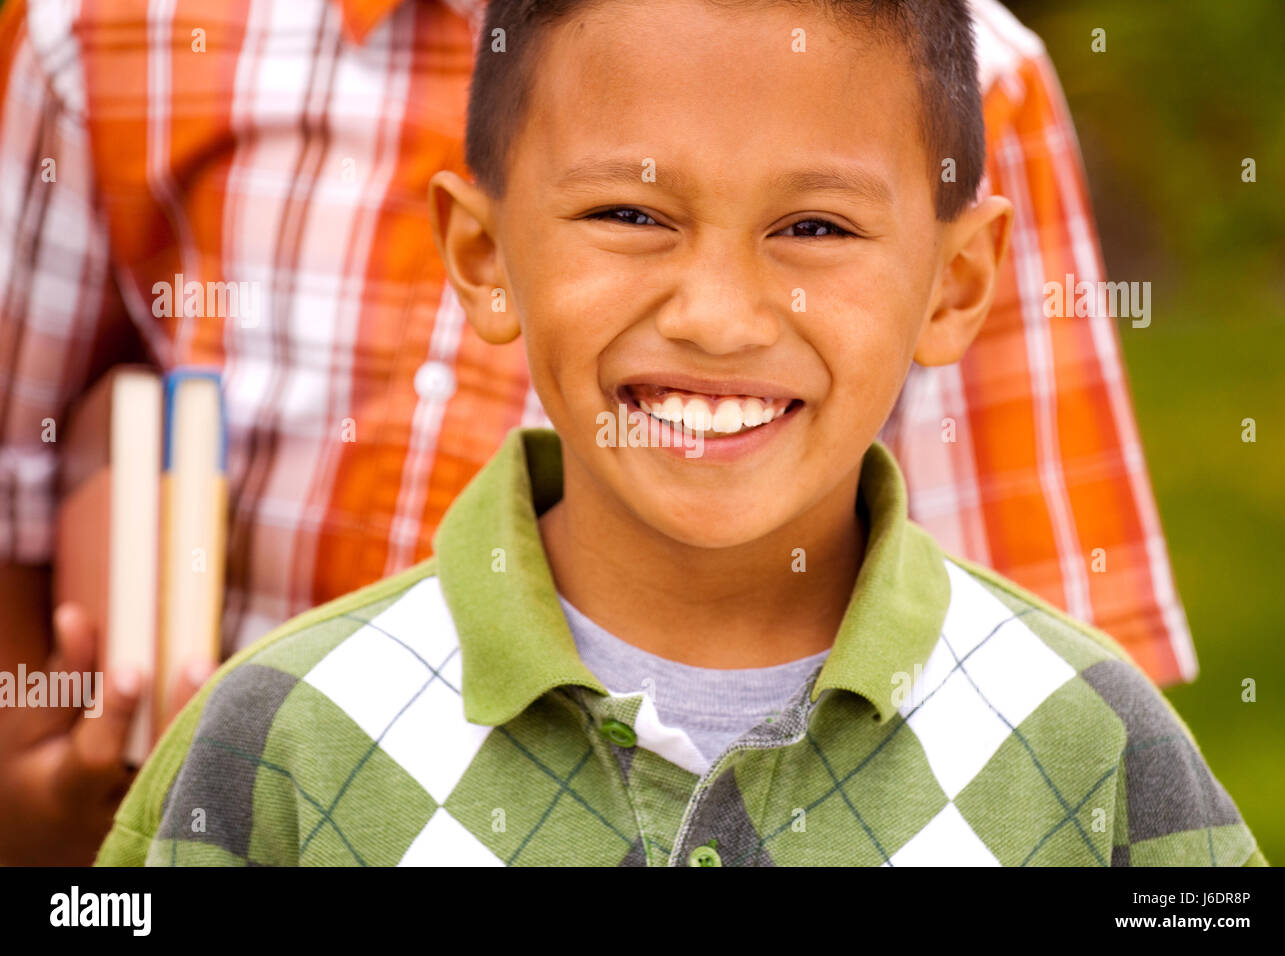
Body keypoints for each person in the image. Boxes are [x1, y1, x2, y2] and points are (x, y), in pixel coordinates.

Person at [0, 0, 1195, 865]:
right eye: (629, 214)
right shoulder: (118, 35)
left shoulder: (965, 65)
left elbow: (1050, 702)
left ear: (954, 279)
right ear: (481, 254)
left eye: (815, 227)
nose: (718, 318)